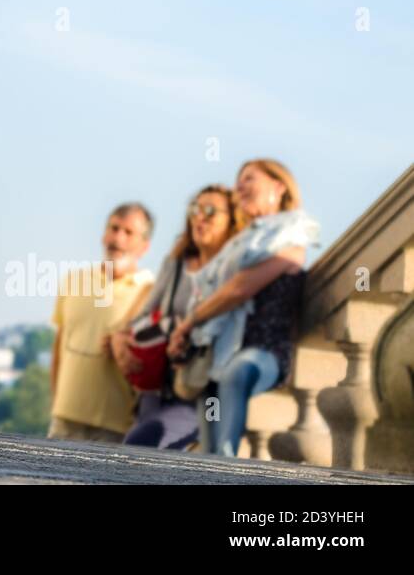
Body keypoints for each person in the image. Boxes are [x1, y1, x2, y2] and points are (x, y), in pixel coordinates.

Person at [167, 159, 317, 456]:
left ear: (278, 186)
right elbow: (216, 290)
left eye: (249, 178)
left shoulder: (292, 236)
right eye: (238, 181)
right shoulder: (237, 246)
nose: (239, 187)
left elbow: (239, 289)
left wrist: (189, 322)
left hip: (264, 351)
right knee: (208, 452)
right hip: (218, 351)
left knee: (237, 374)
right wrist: (188, 332)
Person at [110, 185, 235, 450]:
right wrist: (120, 340)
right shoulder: (176, 265)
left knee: (143, 444)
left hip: (202, 391)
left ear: (232, 220)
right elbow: (143, 316)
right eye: (195, 209)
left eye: (210, 211)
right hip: (159, 385)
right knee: (138, 453)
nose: (200, 217)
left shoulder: (235, 273)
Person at [48, 203, 155, 443]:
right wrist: (56, 403)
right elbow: (59, 345)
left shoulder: (151, 292)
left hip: (118, 428)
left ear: (145, 247)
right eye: (114, 228)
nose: (118, 238)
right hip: (65, 422)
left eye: (129, 233)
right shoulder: (74, 281)